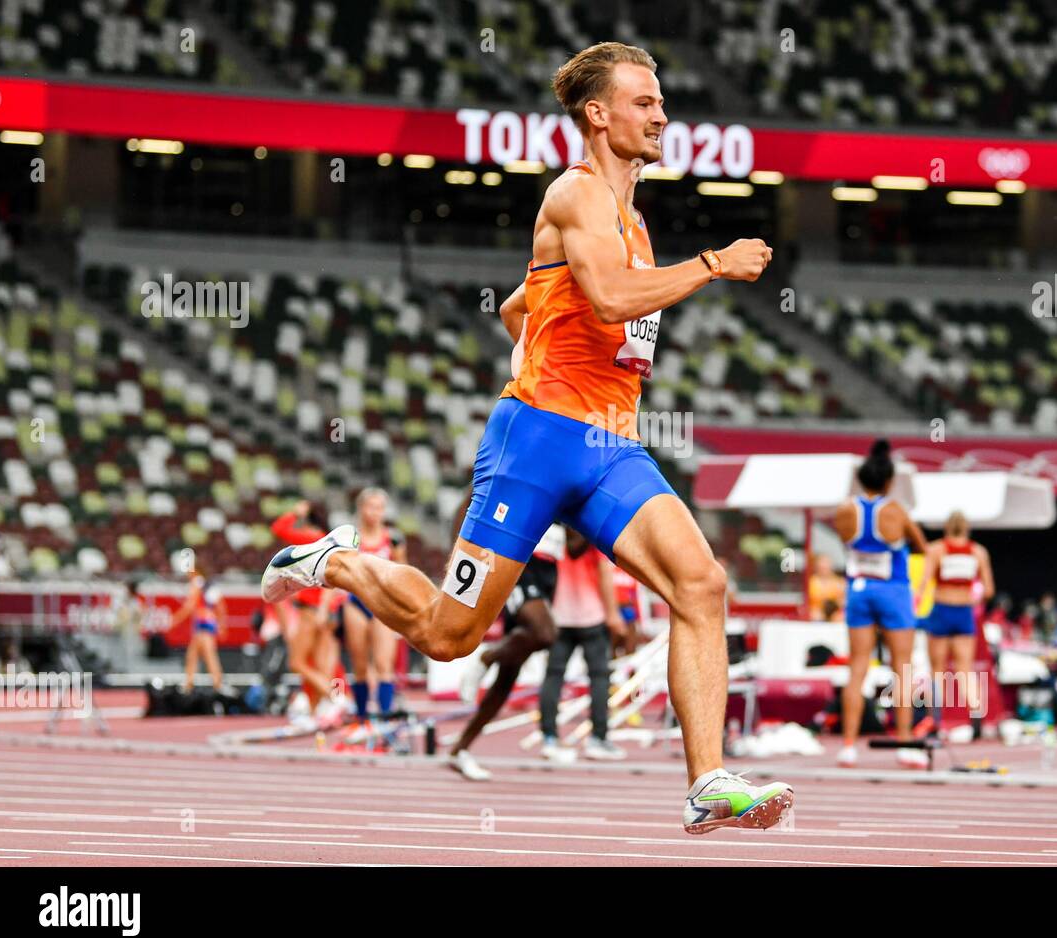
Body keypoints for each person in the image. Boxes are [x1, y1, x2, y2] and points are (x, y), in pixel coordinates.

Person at [262, 41, 791, 832]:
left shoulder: (633, 221)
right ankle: (331, 561)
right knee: (449, 635)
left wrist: (539, 338)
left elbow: (523, 306)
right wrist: (714, 263)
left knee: (701, 584)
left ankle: (706, 779)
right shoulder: (575, 194)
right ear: (598, 114)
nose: (661, 114)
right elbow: (610, 299)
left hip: (611, 443)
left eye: (660, 101)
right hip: (537, 441)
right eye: (643, 102)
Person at [832, 439, 928, 769]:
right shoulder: (895, 510)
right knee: (902, 668)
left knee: (857, 668)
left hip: (859, 589)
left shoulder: (845, 510)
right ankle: (903, 743)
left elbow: (846, 540)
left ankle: (847, 745)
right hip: (893, 590)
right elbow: (920, 546)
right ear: (889, 481)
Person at [448, 517, 566, 781]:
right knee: (545, 633)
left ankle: (460, 749)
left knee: (506, 678)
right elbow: (471, 506)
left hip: (549, 567)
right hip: (521, 563)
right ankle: (487, 657)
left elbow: (579, 544)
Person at [540, 530, 629, 762]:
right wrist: (612, 614)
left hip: (560, 616)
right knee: (599, 678)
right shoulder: (594, 536)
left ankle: (549, 738)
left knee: (553, 676)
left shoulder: (556, 536)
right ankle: (598, 739)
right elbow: (604, 575)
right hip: (592, 616)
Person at [917, 511, 994, 741]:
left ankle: (935, 719)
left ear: (946, 528)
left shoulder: (936, 549)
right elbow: (988, 590)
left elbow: (923, 585)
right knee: (964, 669)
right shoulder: (978, 552)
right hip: (964, 612)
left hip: (942, 609)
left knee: (937, 670)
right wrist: (974, 599)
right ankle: (977, 712)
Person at [270, 502, 346, 728]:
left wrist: (294, 512)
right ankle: (316, 713)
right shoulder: (330, 543)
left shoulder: (311, 539)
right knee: (322, 667)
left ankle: (337, 699)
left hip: (313, 612)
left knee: (297, 663)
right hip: (328, 612)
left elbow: (278, 529)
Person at [342, 488, 406, 731]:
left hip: (382, 605)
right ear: (361, 508)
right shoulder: (350, 538)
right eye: (371, 506)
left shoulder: (393, 539)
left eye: (380, 507)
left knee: (383, 665)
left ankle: (385, 719)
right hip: (356, 603)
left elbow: (403, 573)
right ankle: (361, 718)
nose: (375, 512)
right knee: (359, 666)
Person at [167, 561, 225, 692]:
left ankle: (216, 683)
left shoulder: (197, 583)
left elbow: (189, 606)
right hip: (207, 623)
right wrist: (221, 624)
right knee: (193, 654)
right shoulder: (208, 584)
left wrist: (175, 620)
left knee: (207, 654)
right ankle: (190, 683)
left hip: (203, 624)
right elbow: (221, 605)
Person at [808, 553, 846, 623]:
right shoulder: (810, 583)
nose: (824, 566)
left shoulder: (840, 583)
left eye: (826, 564)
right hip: (815, 620)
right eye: (821, 564)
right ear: (816, 566)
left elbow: (844, 603)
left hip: (835, 620)